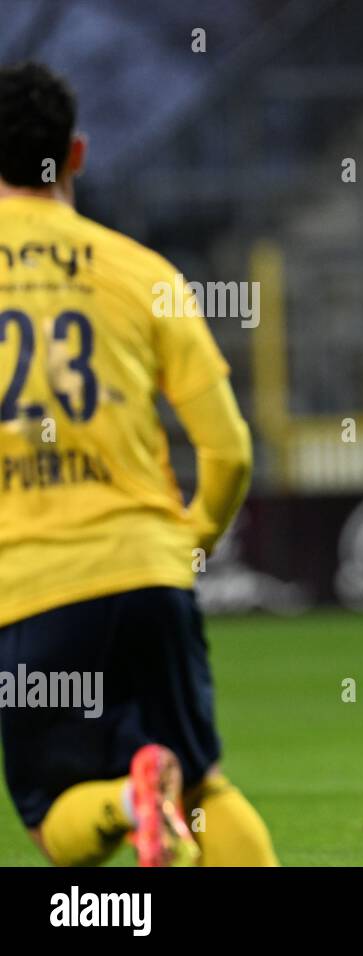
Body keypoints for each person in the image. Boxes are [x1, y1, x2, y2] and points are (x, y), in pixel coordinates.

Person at [0, 62, 276, 866]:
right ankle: (158, 795)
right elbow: (227, 450)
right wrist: (190, 541)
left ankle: (127, 800)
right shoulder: (140, 272)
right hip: (147, 566)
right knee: (204, 785)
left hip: (29, 589)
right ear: (76, 155)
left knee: (56, 823)